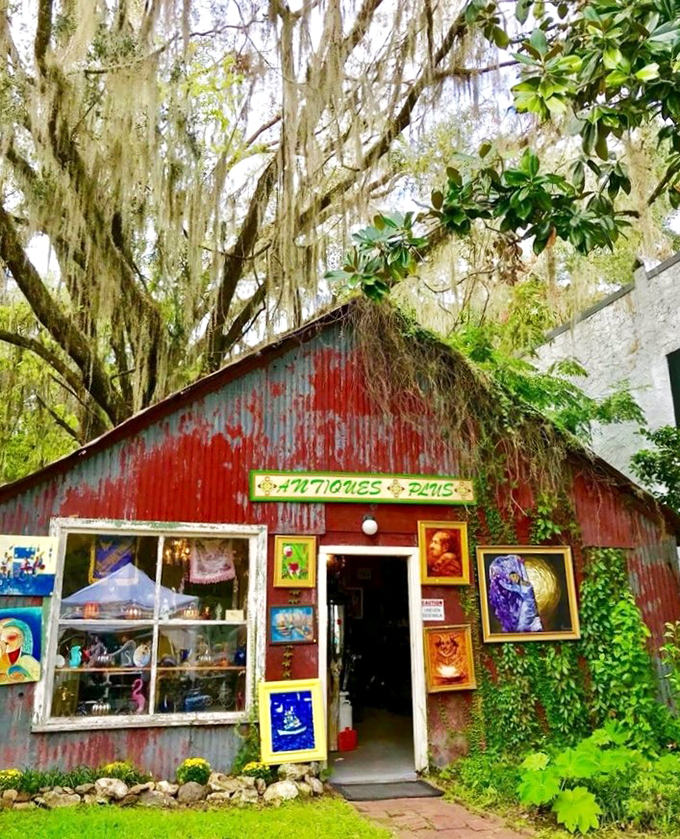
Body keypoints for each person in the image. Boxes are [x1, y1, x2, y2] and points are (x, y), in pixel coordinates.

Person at [0, 617, 41, 683]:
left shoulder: (27, 660)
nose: (3, 640)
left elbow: (40, 677)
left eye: (11, 637)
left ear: (23, 638)